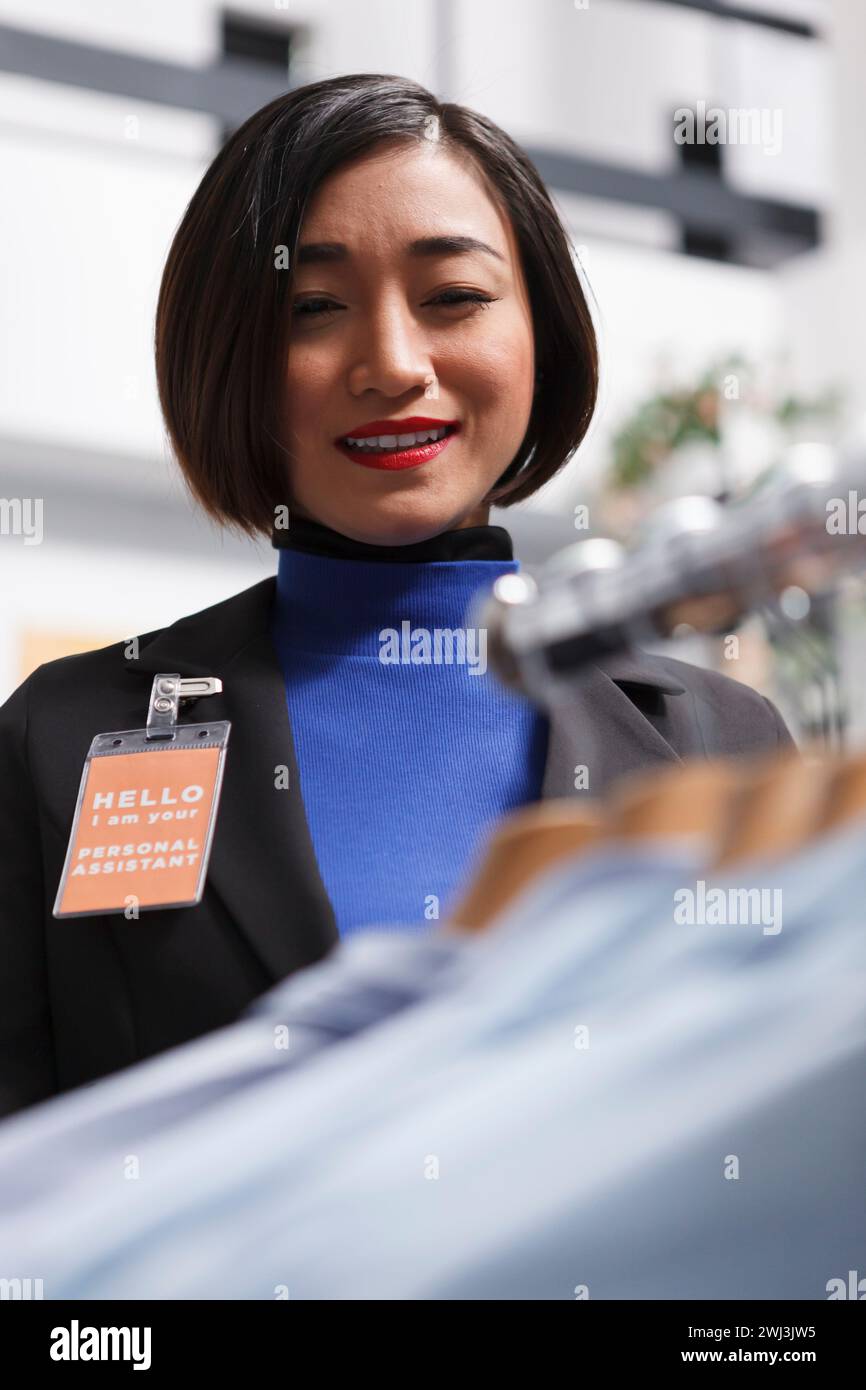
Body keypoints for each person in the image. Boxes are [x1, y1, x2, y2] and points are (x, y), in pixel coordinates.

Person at [0, 74, 795, 1121]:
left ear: (539, 333)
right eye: (314, 308)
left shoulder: (720, 741)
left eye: (452, 298)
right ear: (229, 352)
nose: (390, 363)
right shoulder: (65, 736)